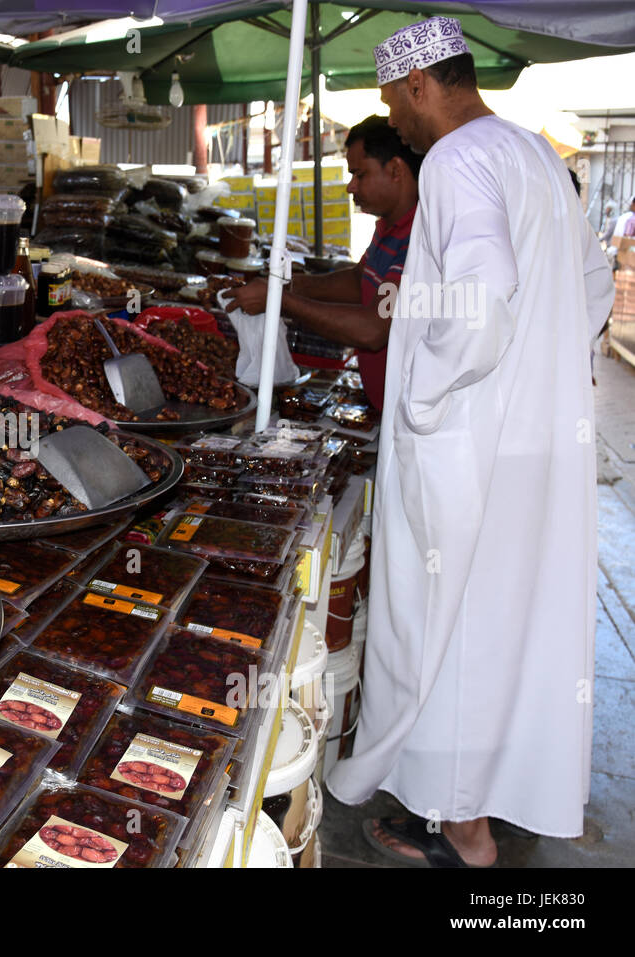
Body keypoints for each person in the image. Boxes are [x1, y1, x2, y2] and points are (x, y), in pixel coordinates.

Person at [325, 16, 614, 867]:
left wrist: (423, 397)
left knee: (443, 630)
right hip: (532, 441)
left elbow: (480, 300)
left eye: (393, 104)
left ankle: (463, 830)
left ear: (420, 85)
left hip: (468, 442)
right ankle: (488, 798)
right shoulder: (532, 153)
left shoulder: (456, 158)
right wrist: (543, 366)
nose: (398, 126)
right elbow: (590, 286)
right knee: (506, 625)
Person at [225, 116, 420, 409]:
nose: (350, 187)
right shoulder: (388, 228)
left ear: (395, 170)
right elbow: (358, 281)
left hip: (411, 415)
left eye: (359, 174)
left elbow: (373, 330)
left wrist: (279, 299)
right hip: (386, 408)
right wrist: (286, 285)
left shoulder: (419, 238)